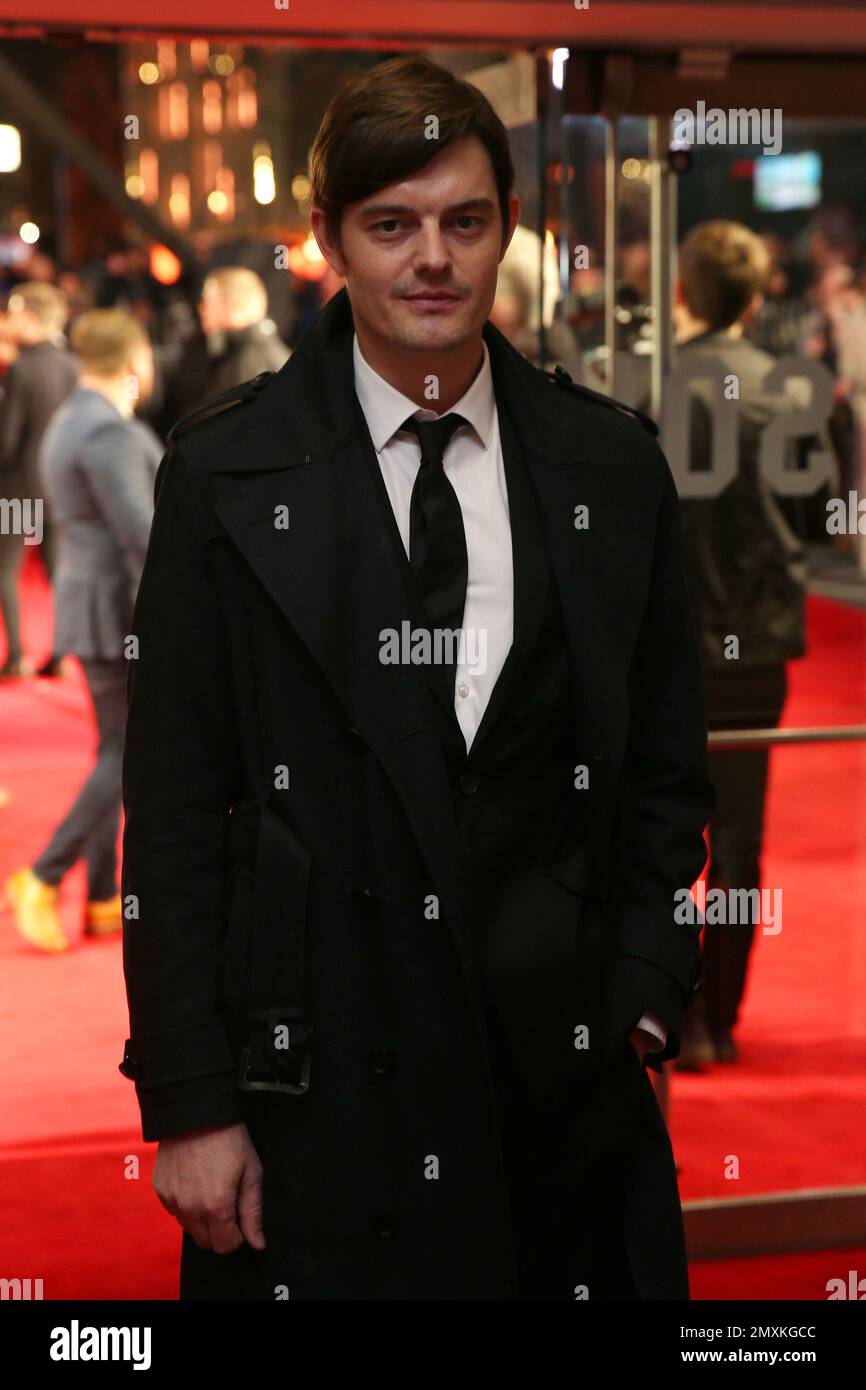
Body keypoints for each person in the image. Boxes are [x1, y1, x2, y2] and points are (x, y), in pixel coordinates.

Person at [119, 56, 713, 1301]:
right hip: (318, 1088)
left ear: (506, 227)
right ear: (331, 238)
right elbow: (171, 809)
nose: (430, 258)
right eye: (390, 225)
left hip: (557, 1087)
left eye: (463, 220)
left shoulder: (609, 467)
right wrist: (187, 1100)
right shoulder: (223, 477)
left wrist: (645, 996)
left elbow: (665, 768)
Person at [672, 220, 808, 1068]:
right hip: (756, 640)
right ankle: (719, 1017)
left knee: (666, 834)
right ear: (755, 298)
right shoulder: (784, 389)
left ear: (687, 292)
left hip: (681, 640)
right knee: (743, 839)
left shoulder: (661, 383)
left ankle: (677, 1011)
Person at [5, 309, 161, 952]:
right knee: (125, 757)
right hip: (116, 613)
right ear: (134, 362)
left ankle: (101, 896)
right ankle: (44, 875)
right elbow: (143, 535)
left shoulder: (76, 419)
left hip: (92, 606)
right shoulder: (105, 431)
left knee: (111, 750)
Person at [0, 282, 79, 678]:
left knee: (4, 567)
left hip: (19, 489)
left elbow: (7, 440)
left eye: (13, 312)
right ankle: (62, 656)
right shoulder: (72, 363)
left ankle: (17, 655)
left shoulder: (23, 368)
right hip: (61, 487)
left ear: (30, 317)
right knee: (57, 571)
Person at [197, 266, 290, 397]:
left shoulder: (251, 356)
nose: (201, 308)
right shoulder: (259, 346)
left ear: (230, 303)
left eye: (208, 300)